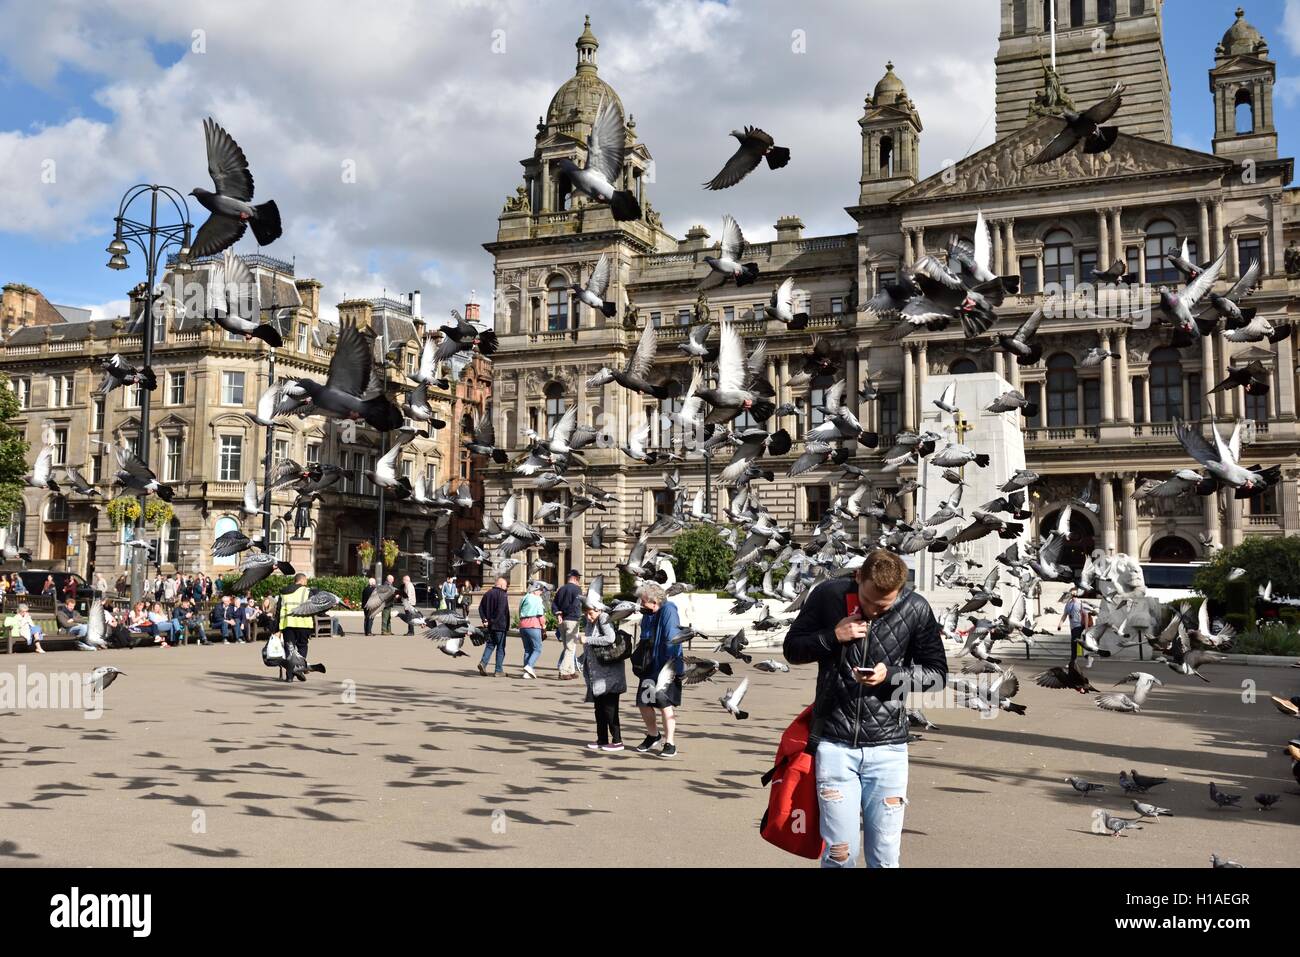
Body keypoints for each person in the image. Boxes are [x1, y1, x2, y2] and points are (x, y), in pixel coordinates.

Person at [783, 548, 948, 869]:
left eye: (883, 606)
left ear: (900, 591)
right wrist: (833, 636)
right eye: (869, 601)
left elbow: (937, 675)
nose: (873, 611)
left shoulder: (915, 609)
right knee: (839, 853)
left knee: (885, 857)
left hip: (888, 749)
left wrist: (893, 676)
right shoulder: (828, 596)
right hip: (834, 744)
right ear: (858, 576)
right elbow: (792, 650)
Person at [633, 583, 684, 758]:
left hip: (665, 666)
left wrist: (673, 668)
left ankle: (670, 743)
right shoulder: (648, 614)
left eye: (643, 600)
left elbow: (673, 638)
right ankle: (653, 735)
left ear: (654, 601)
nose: (641, 604)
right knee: (643, 702)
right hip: (649, 665)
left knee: (664, 704)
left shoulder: (669, 610)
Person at [582, 601, 625, 751]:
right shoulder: (593, 621)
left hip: (610, 674)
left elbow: (610, 638)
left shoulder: (604, 617)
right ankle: (602, 739)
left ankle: (617, 741)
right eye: (586, 614)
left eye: (590, 613)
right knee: (599, 708)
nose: (588, 617)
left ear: (598, 609)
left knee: (610, 709)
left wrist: (588, 639)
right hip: (599, 673)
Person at [278, 573, 325, 682]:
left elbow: (278, 610)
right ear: (302, 581)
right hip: (303, 624)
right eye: (306, 581)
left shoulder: (284, 592)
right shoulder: (307, 591)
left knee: (289, 649)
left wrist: (276, 629)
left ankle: (289, 676)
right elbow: (316, 605)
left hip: (287, 624)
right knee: (302, 646)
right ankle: (298, 668)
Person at [552, 569, 584, 680]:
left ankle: (571, 670)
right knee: (571, 647)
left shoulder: (561, 589)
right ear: (575, 578)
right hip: (572, 620)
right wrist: (564, 612)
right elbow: (575, 605)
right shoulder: (577, 589)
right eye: (579, 578)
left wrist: (558, 614)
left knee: (567, 646)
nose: (579, 580)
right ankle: (564, 671)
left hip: (562, 621)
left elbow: (554, 604)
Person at [477, 576, 510, 677]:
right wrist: (492, 621)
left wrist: (484, 620)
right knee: (500, 648)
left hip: (490, 626)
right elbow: (500, 611)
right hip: (500, 625)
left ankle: (483, 663)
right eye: (505, 586)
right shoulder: (502, 594)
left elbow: (480, 608)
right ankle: (498, 670)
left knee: (490, 645)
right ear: (500, 585)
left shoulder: (488, 593)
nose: (506, 588)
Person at [518, 584, 546, 680]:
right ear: (534, 591)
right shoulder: (537, 599)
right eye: (540, 590)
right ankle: (529, 666)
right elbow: (540, 614)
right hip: (533, 625)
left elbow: (519, 611)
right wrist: (544, 625)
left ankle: (526, 673)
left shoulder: (524, 598)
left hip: (523, 625)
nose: (541, 592)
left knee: (527, 649)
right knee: (537, 649)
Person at [1058, 590, 1085, 661]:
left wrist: (1087, 627)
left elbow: (1086, 615)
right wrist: (1060, 624)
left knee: (1074, 642)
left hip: (1079, 625)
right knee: (1077, 643)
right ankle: (1087, 656)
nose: (1073, 595)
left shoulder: (1080, 603)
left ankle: (1073, 660)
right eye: (1072, 594)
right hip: (1072, 626)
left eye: (1075, 594)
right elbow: (1065, 615)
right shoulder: (1068, 604)